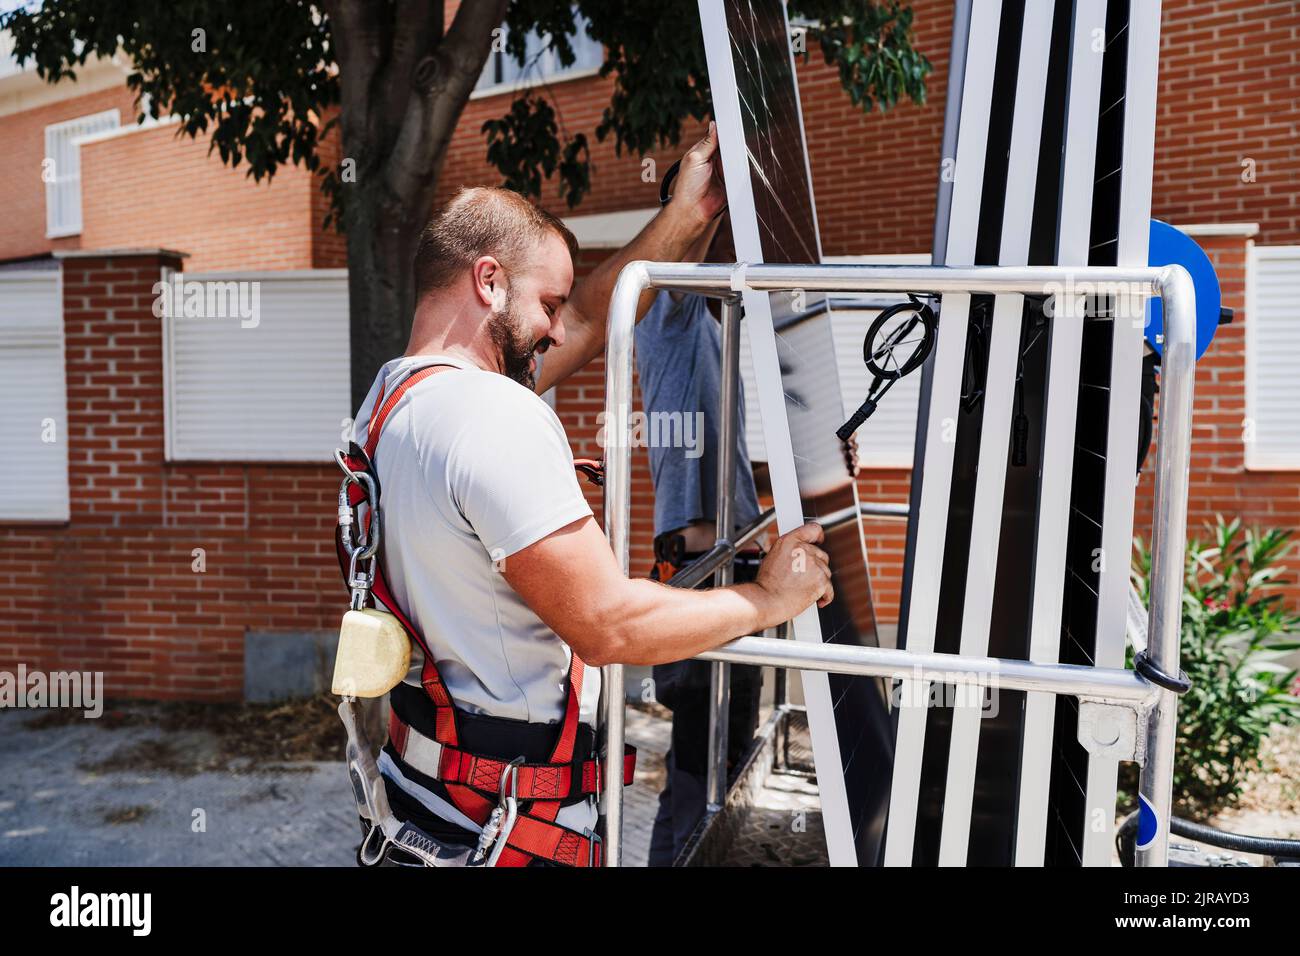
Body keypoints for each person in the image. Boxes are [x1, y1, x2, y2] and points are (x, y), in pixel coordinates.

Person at [347, 124, 835, 867]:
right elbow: (609, 625)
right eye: (546, 301)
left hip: (427, 794)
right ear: (487, 280)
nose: (554, 326)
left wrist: (683, 217)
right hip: (507, 826)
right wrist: (770, 600)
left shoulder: (391, 402)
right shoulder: (494, 415)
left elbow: (584, 321)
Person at [635, 213, 766, 865]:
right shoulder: (668, 319)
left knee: (730, 762)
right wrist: (707, 197)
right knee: (696, 770)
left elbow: (731, 459)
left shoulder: (714, 331)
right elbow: (684, 249)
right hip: (700, 567)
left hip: (733, 561)